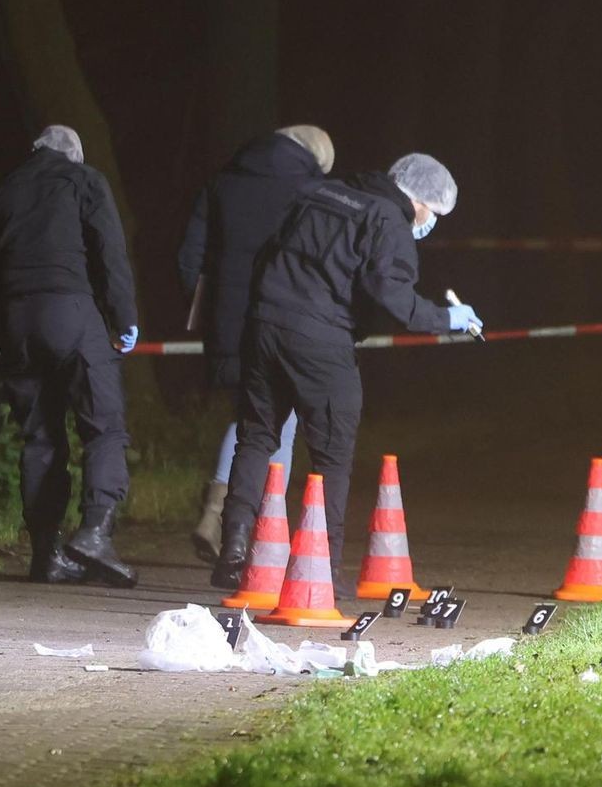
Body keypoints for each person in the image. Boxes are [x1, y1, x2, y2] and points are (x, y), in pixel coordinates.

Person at [210, 153, 480, 596]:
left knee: (258, 437)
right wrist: (448, 320)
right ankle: (323, 569)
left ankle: (235, 547)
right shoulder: (387, 220)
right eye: (434, 213)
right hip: (322, 342)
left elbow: (267, 254)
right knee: (332, 456)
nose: (430, 222)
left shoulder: (321, 192)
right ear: (419, 201)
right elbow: (394, 298)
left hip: (264, 326)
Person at [0, 125, 140, 586]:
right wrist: (124, 316)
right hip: (70, 310)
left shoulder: (1, 191)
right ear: (73, 155)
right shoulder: (85, 180)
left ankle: (47, 554)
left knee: (39, 438)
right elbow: (109, 251)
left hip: (17, 324)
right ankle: (96, 530)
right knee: (105, 426)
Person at [176, 125, 334, 563]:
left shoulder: (222, 182)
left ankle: (216, 515)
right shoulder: (312, 190)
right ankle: (260, 531)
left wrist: (212, 310)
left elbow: (190, 257)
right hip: (288, 320)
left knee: (251, 416)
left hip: (228, 323)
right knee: (277, 421)